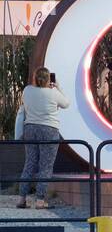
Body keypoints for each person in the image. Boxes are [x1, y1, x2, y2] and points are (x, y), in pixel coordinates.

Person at [16, 67, 69, 210]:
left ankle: (21, 199)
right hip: (49, 129)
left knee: (30, 162)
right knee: (45, 165)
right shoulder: (53, 93)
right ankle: (40, 200)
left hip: (30, 128)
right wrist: (57, 87)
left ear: (34, 78)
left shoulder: (27, 90)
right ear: (48, 79)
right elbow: (66, 103)